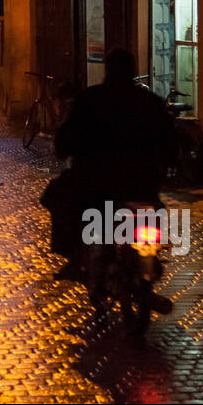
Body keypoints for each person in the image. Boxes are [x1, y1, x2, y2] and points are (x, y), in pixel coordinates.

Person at [44, 48, 176, 313]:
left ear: (108, 70)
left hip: (95, 184)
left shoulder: (90, 99)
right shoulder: (149, 102)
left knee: (58, 198)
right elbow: (170, 143)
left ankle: (73, 258)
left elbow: (67, 138)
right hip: (142, 184)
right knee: (154, 217)